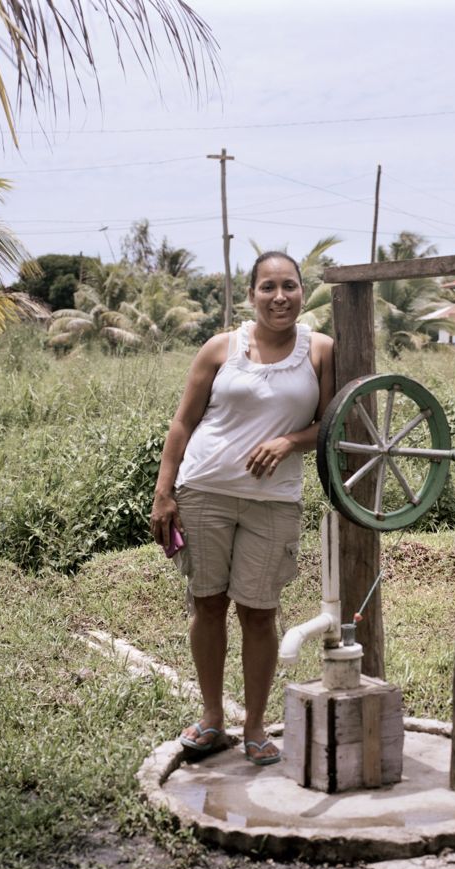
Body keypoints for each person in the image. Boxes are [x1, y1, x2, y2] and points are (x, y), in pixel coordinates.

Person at [149, 251, 334, 765]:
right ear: (251, 293)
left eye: (290, 287)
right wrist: (165, 492)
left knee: (259, 611)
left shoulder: (320, 351)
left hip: (273, 502)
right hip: (204, 490)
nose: (280, 297)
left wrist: (290, 440)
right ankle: (211, 718)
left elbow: (336, 422)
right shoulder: (220, 348)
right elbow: (183, 423)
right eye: (268, 287)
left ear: (303, 290)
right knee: (207, 601)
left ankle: (254, 726)